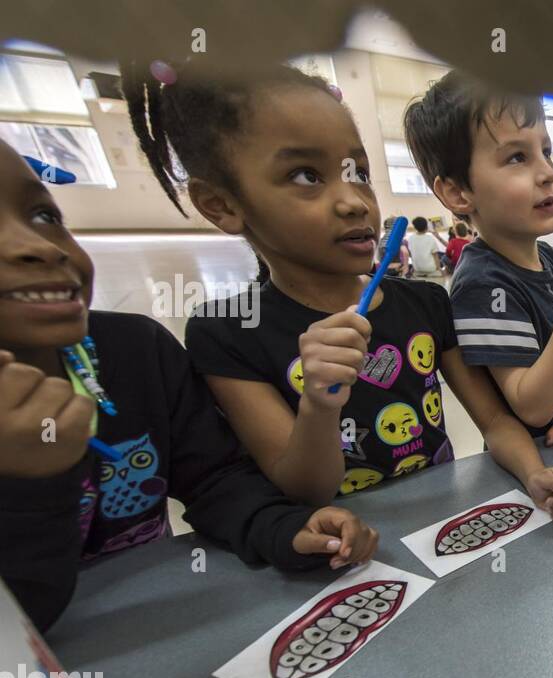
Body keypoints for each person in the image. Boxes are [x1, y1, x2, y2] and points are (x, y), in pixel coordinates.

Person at [121, 59, 553, 520]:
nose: (353, 201)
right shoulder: (227, 334)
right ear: (220, 204)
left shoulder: (425, 303)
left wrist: (533, 474)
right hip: (337, 557)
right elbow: (304, 489)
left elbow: (496, 421)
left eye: (358, 172)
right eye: (306, 176)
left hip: (443, 529)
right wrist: (320, 405)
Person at [0, 140, 379, 632]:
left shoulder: (135, 351)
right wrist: (31, 492)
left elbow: (213, 478)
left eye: (43, 216)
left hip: (156, 628)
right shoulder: (223, 331)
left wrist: (282, 526)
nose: (38, 247)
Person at [404, 69, 553, 461]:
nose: (547, 174)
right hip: (527, 469)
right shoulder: (481, 284)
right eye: (516, 157)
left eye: (547, 152)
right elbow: (531, 406)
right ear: (458, 192)